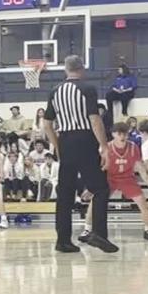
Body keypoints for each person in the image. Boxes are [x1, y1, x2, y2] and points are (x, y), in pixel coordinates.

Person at [41, 55, 116, 253]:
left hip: (65, 141)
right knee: (100, 188)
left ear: (65, 69)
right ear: (82, 69)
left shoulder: (55, 91)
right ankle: (98, 234)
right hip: (85, 140)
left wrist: (57, 146)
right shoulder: (87, 89)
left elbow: (47, 125)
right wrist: (103, 146)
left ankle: (63, 240)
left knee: (65, 194)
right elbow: (94, 120)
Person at [105, 122, 148, 240]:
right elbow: (99, 168)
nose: (122, 137)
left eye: (125, 134)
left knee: (142, 203)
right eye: (119, 134)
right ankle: (88, 228)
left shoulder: (133, 147)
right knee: (96, 202)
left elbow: (140, 168)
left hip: (127, 178)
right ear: (113, 134)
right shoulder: (106, 147)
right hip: (110, 178)